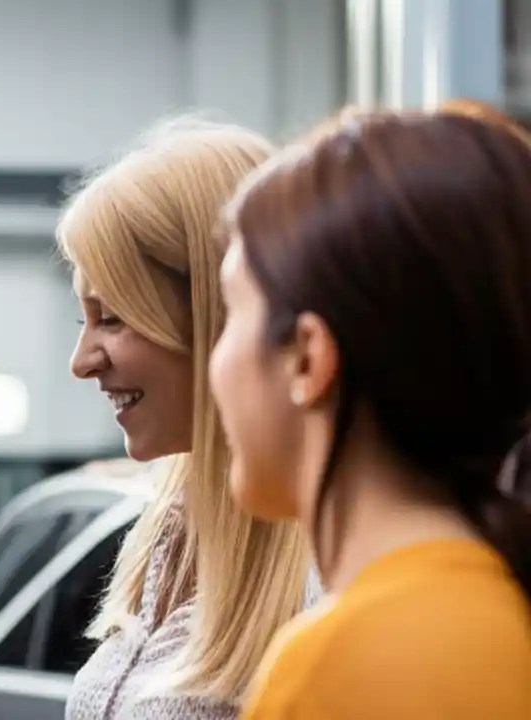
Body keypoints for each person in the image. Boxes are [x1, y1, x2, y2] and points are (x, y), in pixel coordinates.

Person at [211, 107, 531, 718]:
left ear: (307, 358)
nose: (216, 362)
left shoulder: (341, 658)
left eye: (231, 314)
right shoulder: (501, 609)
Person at [54, 117, 316, 718]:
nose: (81, 361)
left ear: (217, 316)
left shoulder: (324, 573)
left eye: (112, 318)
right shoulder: (163, 537)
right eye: (82, 321)